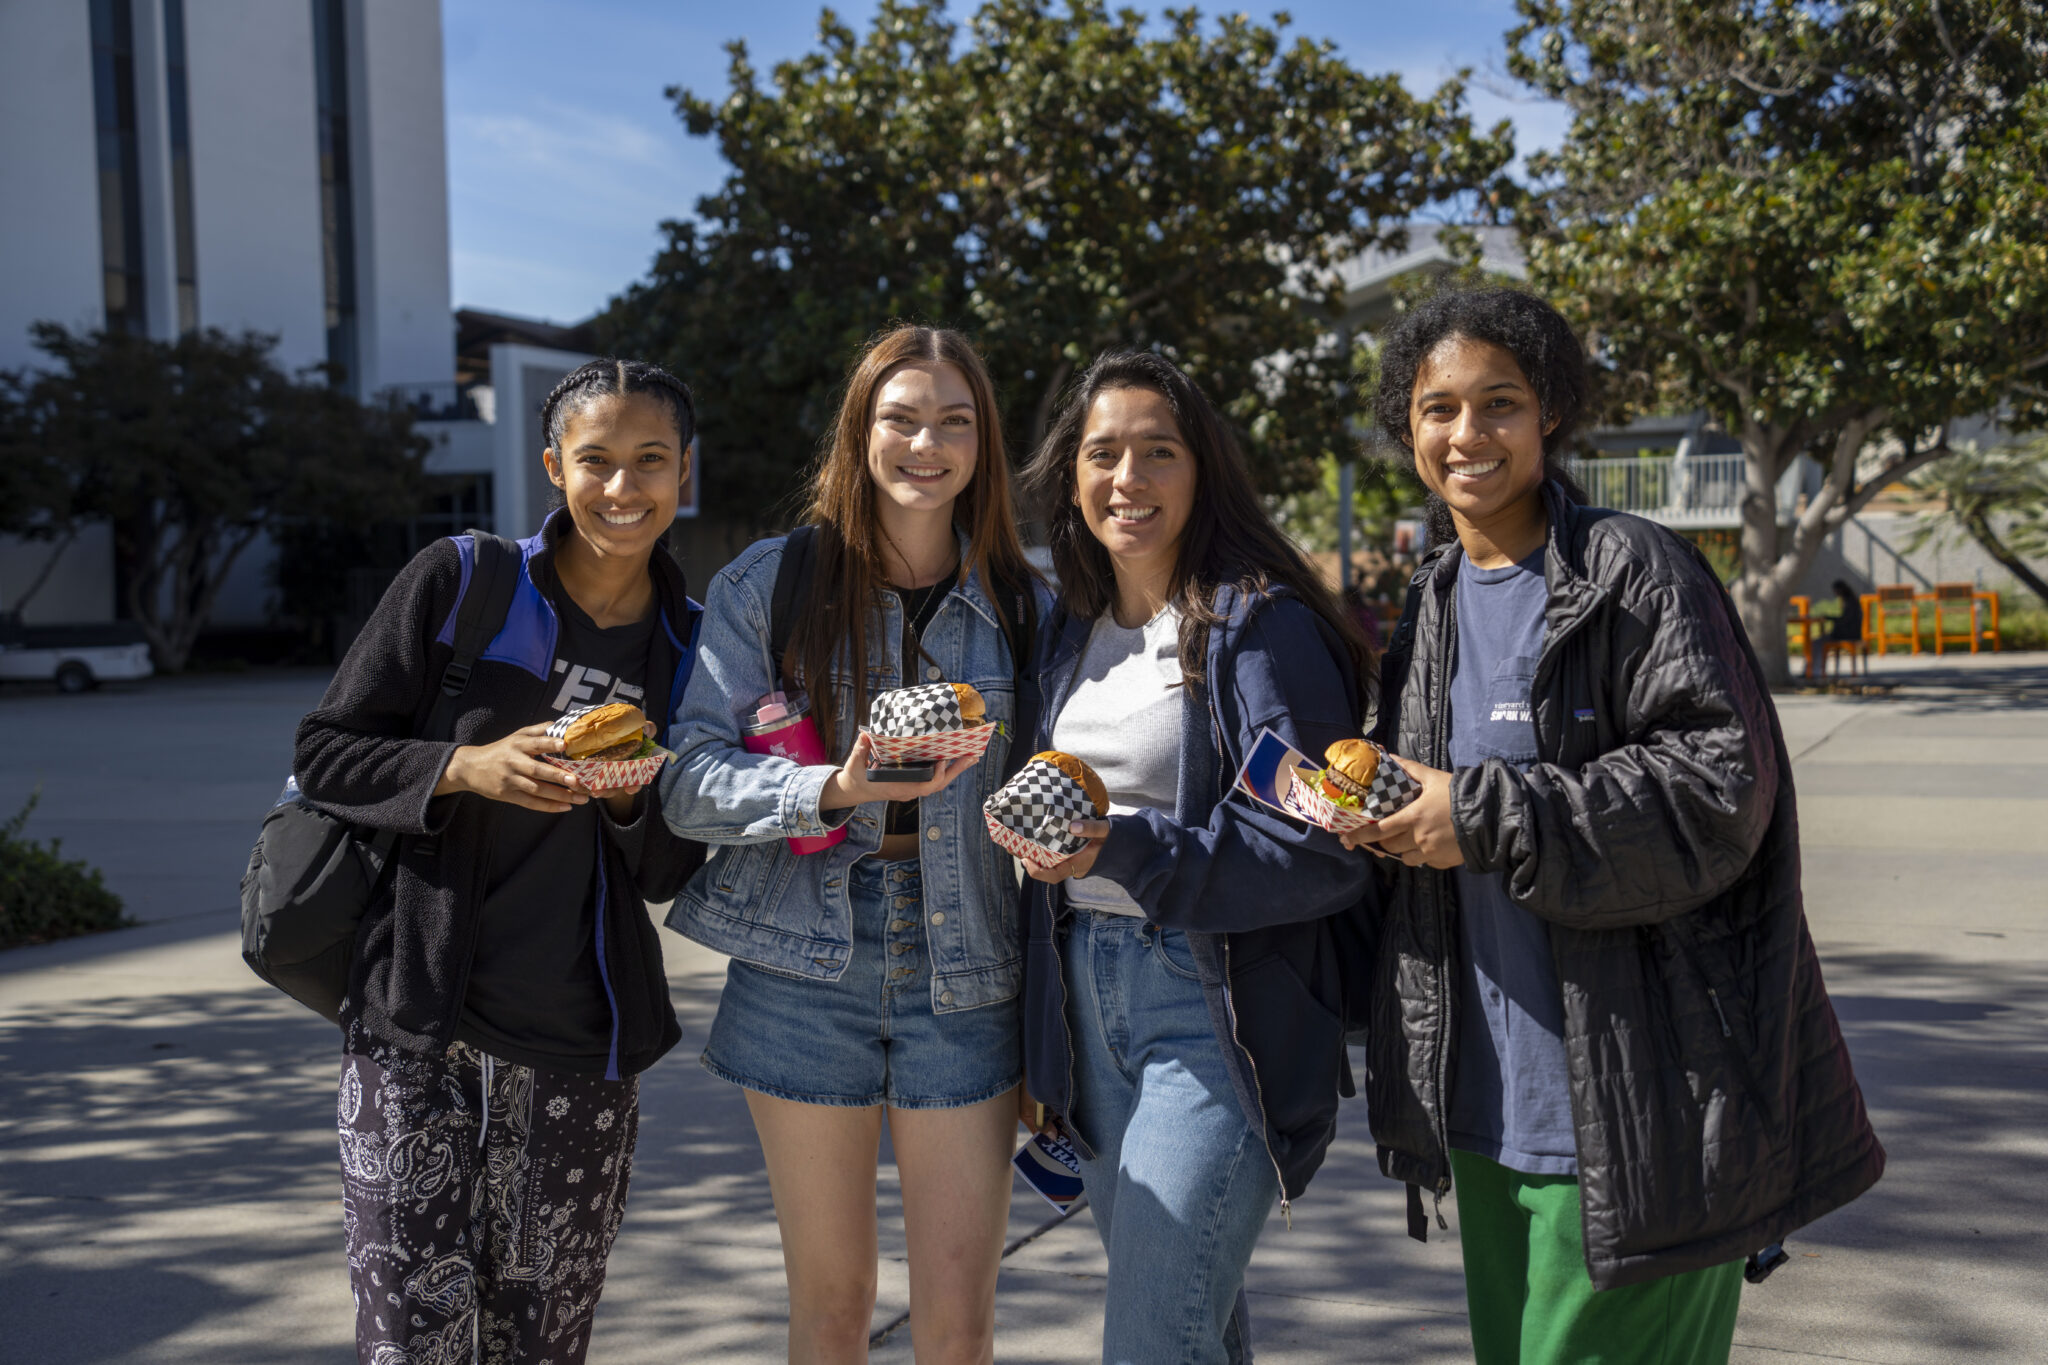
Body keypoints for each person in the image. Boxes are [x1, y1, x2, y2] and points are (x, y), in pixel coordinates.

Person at [1350, 286, 1885, 1365]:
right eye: (1436, 408)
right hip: (1485, 1109)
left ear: (1547, 411)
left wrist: (1479, 811)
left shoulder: (1632, 570)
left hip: (1644, 1111)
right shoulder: (1429, 604)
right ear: (1404, 429)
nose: (1465, 434)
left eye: (1496, 402)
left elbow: (1715, 789)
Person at [294, 358, 706, 1363]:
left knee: (538, 1342)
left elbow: (667, 868)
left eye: (650, 461)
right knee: (414, 1339)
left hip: (575, 1038)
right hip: (410, 1017)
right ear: (552, 467)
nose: (623, 487)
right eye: (596, 460)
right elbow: (323, 753)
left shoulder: (691, 648)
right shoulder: (465, 580)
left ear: (685, 474)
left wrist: (627, 804)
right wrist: (463, 766)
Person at [659, 324, 1042, 1364]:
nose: (927, 443)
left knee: (956, 1326)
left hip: (968, 970)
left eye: (953, 422)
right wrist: (834, 786)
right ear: (859, 433)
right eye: (901, 418)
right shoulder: (768, 584)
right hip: (799, 962)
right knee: (831, 1312)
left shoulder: (1025, 603)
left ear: (983, 445)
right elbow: (684, 782)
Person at [1014, 350, 1378, 1365]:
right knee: (1193, 1332)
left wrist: (1121, 846)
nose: (1126, 478)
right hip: (1089, 1011)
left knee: (1151, 1341)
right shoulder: (1068, 633)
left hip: (1214, 1016)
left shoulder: (1257, 629)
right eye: (1102, 453)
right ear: (1069, 474)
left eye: (1156, 451)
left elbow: (1315, 849)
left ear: (1201, 469)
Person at [1821, 578, 1865, 644]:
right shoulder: (1850, 599)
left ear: (1839, 590)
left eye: (1835, 590)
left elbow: (1845, 619)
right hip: (1853, 633)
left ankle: (1815, 654)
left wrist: (1828, 618)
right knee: (1822, 638)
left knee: (1819, 641)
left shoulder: (1849, 601)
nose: (1834, 592)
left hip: (1849, 634)